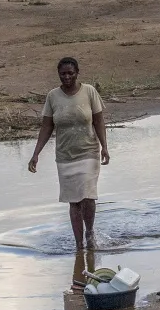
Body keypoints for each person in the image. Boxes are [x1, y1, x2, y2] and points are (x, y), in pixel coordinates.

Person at [27, 56, 109, 250]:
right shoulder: (52, 96)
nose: (67, 77)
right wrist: (36, 153)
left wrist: (104, 147)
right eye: (63, 74)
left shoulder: (89, 92)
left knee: (88, 196)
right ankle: (79, 244)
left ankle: (89, 233)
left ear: (77, 73)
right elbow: (47, 126)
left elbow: (98, 121)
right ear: (58, 74)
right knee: (74, 201)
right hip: (65, 156)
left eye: (70, 73)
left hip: (88, 151)